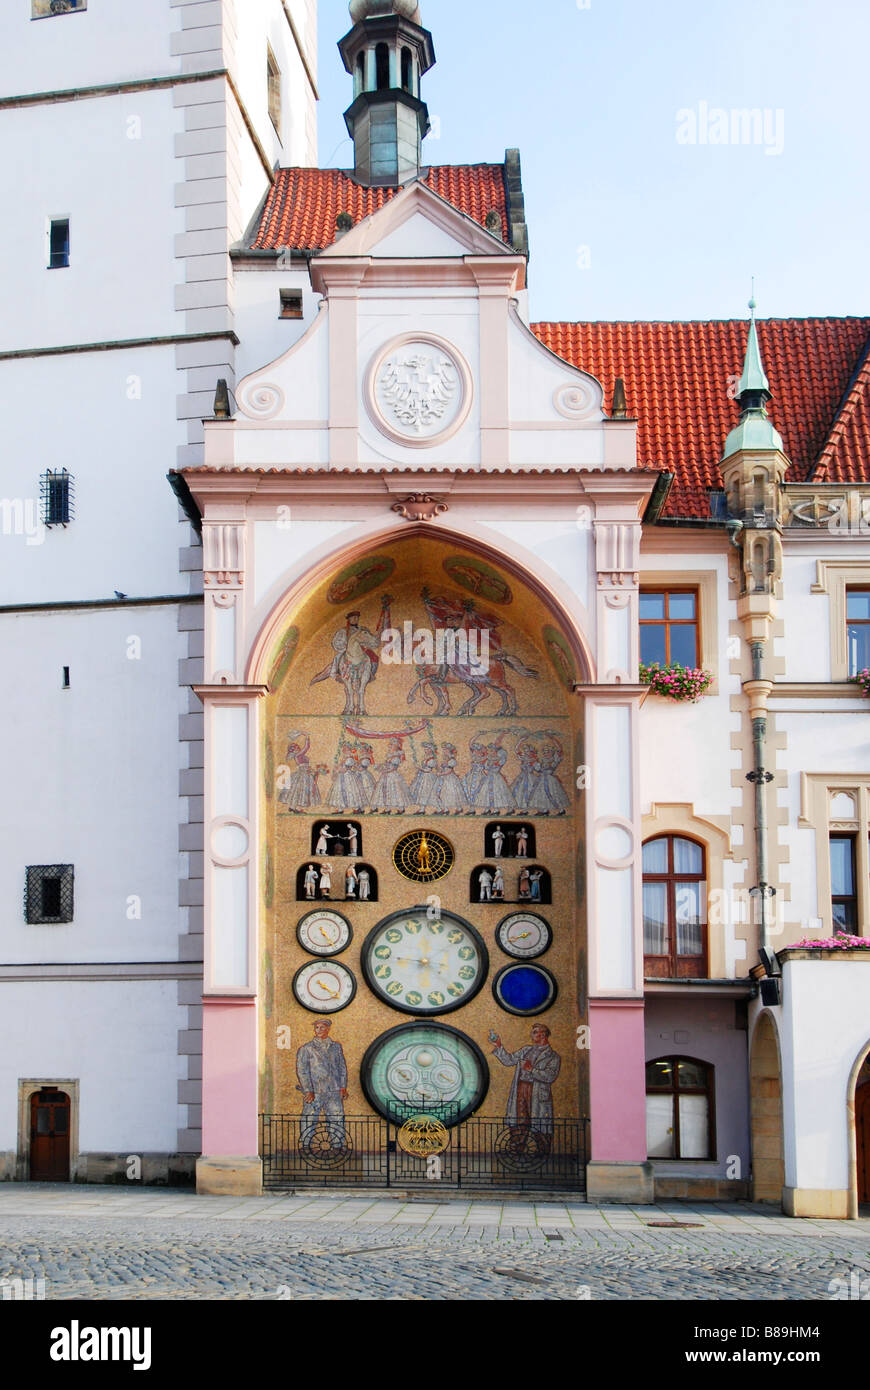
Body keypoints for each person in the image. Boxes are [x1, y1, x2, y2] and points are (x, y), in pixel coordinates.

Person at [491, 1023, 561, 1152]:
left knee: (539, 1124)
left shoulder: (553, 1056)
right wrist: (499, 1045)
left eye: (535, 1032)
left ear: (543, 1034)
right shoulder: (526, 1050)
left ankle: (541, 1153)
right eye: (533, 1032)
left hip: (537, 1092)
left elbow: (550, 1076)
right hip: (520, 1088)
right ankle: (516, 1149)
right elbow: (509, 1060)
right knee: (519, 1119)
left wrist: (532, 1070)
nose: (532, 1034)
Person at [296, 1020, 348, 1149]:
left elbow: (342, 1068)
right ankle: (306, 1145)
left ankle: (338, 1146)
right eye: (317, 1027)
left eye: (322, 1027)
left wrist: (343, 1087)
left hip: (334, 1090)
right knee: (309, 1118)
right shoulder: (306, 1048)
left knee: (336, 1118)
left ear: (328, 1029)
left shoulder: (336, 1047)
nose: (318, 1030)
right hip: (315, 1091)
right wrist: (308, 1090)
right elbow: (302, 1070)